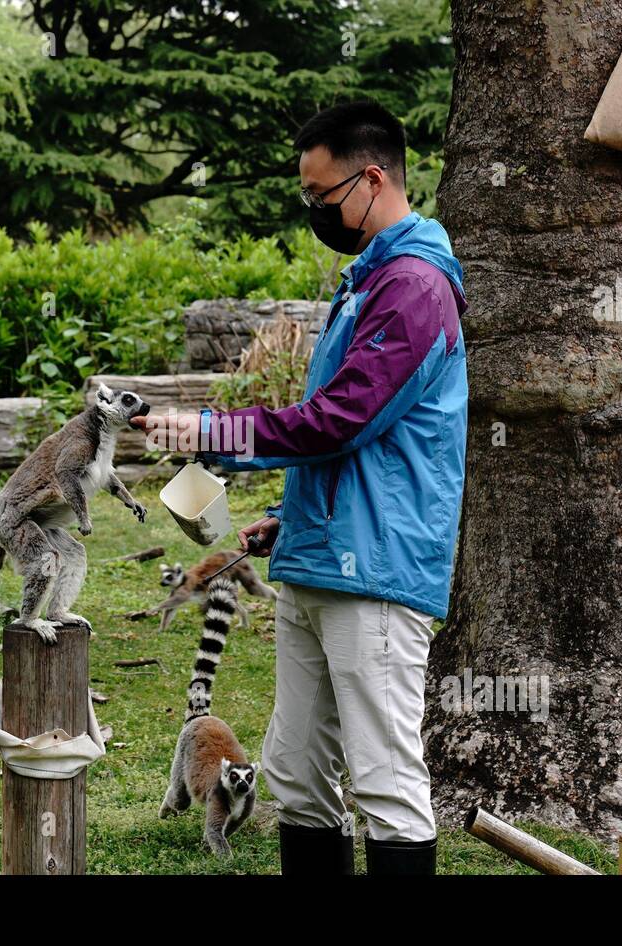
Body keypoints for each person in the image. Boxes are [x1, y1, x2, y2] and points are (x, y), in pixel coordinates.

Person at [133, 100, 467, 875]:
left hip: (376, 574)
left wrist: (211, 433)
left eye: (323, 197)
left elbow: (338, 420)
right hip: (318, 560)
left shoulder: (414, 287)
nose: (315, 211)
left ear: (372, 178)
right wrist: (290, 516)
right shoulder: (367, 282)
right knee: (299, 779)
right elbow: (359, 444)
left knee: (385, 782)